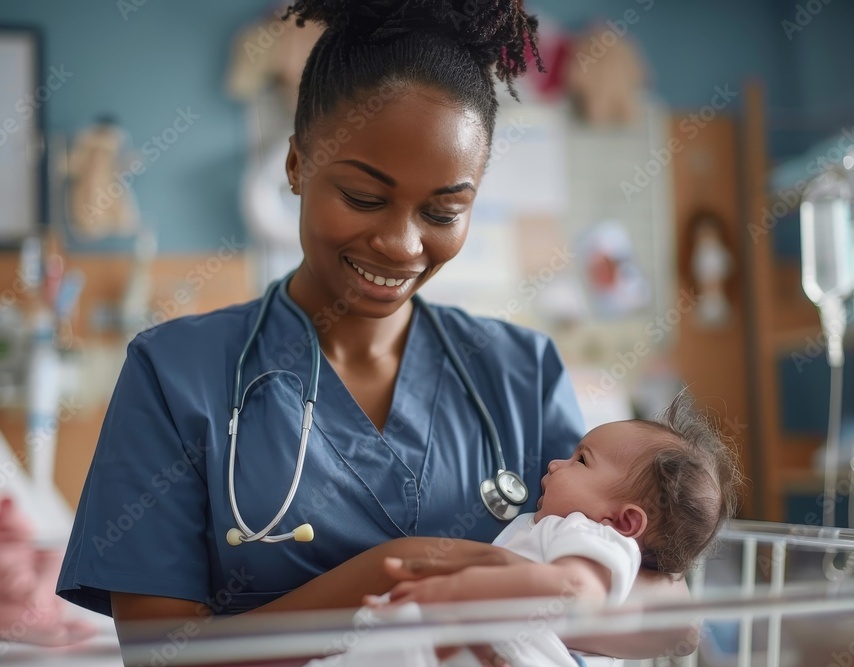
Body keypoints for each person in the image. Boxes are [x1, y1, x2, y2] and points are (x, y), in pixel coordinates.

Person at [57, 0, 695, 662]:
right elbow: (160, 653)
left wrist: (553, 590)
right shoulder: (174, 373)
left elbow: (676, 620)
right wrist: (397, 569)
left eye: (444, 209)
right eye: (364, 197)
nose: (400, 243)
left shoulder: (521, 370)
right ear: (298, 164)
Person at [300, 392, 742, 666]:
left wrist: (457, 589)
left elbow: (576, 591)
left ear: (625, 521)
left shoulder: (590, 534)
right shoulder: (570, 531)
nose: (555, 464)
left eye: (581, 460)